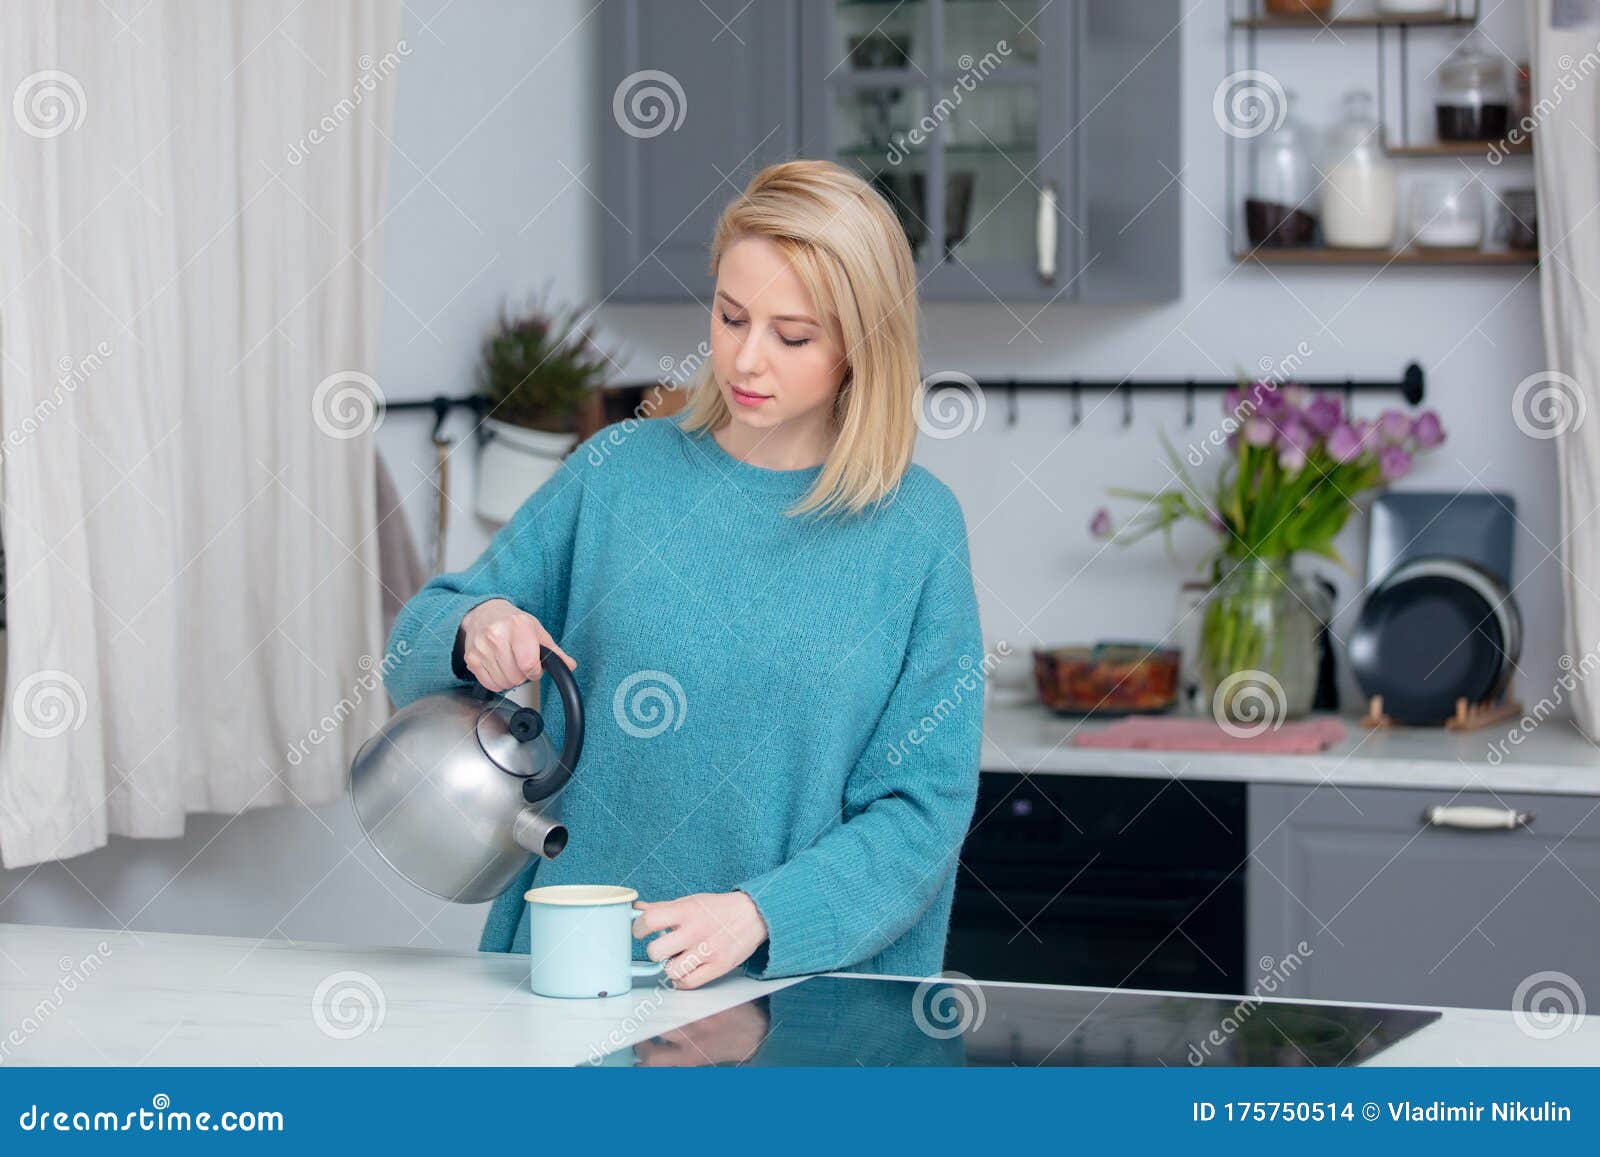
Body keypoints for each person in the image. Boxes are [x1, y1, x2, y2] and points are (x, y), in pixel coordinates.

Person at [385, 159, 985, 989]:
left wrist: (761, 913)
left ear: (862, 345)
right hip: (574, 977)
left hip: (793, 996)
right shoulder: (618, 472)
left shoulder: (916, 530)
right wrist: (474, 626)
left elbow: (923, 809)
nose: (746, 358)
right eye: (731, 316)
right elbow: (416, 636)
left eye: (794, 334)